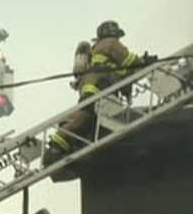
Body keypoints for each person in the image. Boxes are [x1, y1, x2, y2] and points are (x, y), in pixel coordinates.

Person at [44, 20, 151, 165]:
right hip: (97, 87)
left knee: (89, 120)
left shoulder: (97, 49)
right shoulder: (110, 43)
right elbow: (128, 59)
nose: (118, 38)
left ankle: (64, 143)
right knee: (85, 115)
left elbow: (121, 72)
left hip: (95, 87)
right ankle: (56, 146)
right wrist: (144, 60)